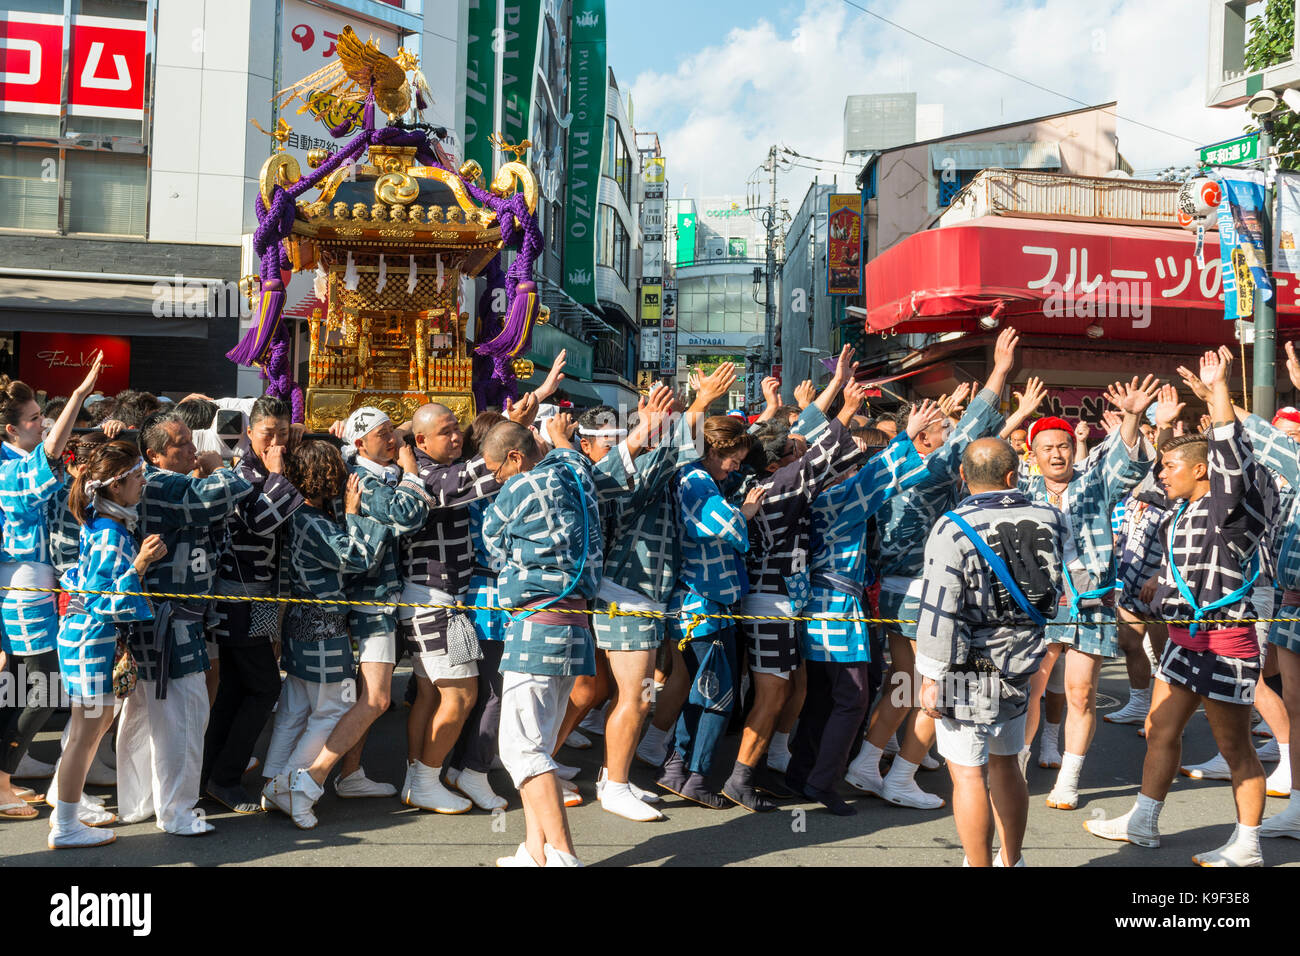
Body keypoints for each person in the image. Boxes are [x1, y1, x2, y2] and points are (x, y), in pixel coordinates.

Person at [1086, 348, 1275, 866]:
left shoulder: (1230, 508)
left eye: (1171, 465)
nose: (1162, 471)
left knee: (1235, 746)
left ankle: (1249, 845)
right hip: (1183, 638)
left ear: (1202, 470)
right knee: (1159, 728)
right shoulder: (1183, 508)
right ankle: (1143, 821)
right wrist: (1160, 582)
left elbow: (1231, 454)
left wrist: (1217, 393)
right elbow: (1149, 491)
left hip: (1224, 639)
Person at [845, 329, 1022, 806]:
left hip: (898, 592)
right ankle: (900, 776)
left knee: (903, 683)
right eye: (941, 427)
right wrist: (1000, 371)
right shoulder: (926, 470)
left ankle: (867, 762)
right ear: (923, 437)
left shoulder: (887, 465)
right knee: (934, 688)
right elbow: (969, 438)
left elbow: (966, 438)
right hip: (926, 594)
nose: (949, 432)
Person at [580, 369, 734, 822]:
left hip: (641, 597)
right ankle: (614, 784)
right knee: (635, 697)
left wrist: (692, 410)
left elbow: (673, 454)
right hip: (625, 595)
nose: (662, 435)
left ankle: (614, 777)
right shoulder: (624, 476)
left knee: (632, 695)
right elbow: (661, 458)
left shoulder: (648, 468)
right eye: (650, 426)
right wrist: (699, 404)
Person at [719, 346, 863, 812]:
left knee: (790, 686)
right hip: (770, 599)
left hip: (778, 597)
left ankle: (763, 765)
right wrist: (840, 398)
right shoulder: (780, 485)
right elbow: (818, 452)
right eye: (796, 449)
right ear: (779, 460)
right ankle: (740, 776)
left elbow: (801, 441)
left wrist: (833, 392)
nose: (804, 450)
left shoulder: (762, 477)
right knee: (774, 691)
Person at [788, 396, 942, 814]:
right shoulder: (833, 498)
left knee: (823, 696)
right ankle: (821, 782)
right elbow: (875, 480)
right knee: (853, 697)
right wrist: (908, 434)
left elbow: (871, 479)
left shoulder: (820, 495)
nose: (857, 465)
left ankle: (803, 773)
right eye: (852, 460)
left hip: (826, 603)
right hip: (834, 606)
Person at [917, 438, 1064, 866]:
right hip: (1023, 657)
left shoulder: (951, 527)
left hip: (968, 663)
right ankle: (1012, 859)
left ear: (962, 476)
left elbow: (938, 608)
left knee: (967, 774)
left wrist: (930, 676)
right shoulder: (1049, 516)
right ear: (1013, 475)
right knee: (1007, 764)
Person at [281, 407, 432, 819]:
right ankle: (309, 779)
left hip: (375, 597)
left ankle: (347, 774)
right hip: (371, 600)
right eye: (385, 434)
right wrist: (413, 472)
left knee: (360, 698)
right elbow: (407, 516)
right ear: (361, 443)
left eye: (395, 433)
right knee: (377, 699)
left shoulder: (370, 472)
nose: (395, 441)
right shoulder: (364, 479)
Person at [1020, 375, 1158, 811]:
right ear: (1034, 455)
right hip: (1038, 605)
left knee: (1080, 692)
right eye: (1047, 448)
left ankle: (1070, 777)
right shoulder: (1022, 492)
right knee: (1032, 690)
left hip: (1090, 603)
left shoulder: (1094, 482)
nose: (1057, 454)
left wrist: (1133, 417)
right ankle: (1020, 762)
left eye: (1063, 445)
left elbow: (1126, 465)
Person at [115, 411, 253, 836]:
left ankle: (139, 803)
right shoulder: (160, 482)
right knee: (183, 716)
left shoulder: (155, 482)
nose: (193, 450)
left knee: (145, 715)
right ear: (155, 454)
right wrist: (222, 468)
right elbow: (227, 492)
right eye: (182, 445)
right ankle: (175, 811)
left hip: (163, 615)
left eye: (193, 442)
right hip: (171, 621)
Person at [484, 413, 606, 866]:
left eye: (497, 470)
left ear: (515, 457)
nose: (497, 479)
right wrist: (558, 439)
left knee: (521, 749)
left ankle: (564, 855)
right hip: (575, 625)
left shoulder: (522, 486)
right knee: (539, 744)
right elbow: (576, 456)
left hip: (536, 624)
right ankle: (535, 852)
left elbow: (490, 539)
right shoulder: (577, 471)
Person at [397, 403, 521, 814]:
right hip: (434, 600)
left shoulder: (424, 471)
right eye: (447, 431)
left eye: (457, 430)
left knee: (431, 696)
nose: (456, 437)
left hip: (432, 599)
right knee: (461, 694)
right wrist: (514, 433)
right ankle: (428, 780)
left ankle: (417, 779)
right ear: (421, 441)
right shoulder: (429, 478)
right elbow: (476, 476)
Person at [261, 442, 387, 829]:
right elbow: (359, 557)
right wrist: (353, 514)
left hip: (300, 621)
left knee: (295, 708)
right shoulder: (313, 519)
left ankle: (272, 783)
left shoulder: (298, 511)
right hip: (324, 625)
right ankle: (291, 787)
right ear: (326, 475)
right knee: (331, 709)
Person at [50, 441, 167, 848]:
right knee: (84, 736)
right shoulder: (110, 533)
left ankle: (66, 816)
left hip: (87, 638)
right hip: (88, 638)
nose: (142, 484)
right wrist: (139, 566)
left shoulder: (105, 523)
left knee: (89, 731)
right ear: (115, 486)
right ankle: (65, 823)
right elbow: (102, 600)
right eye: (137, 476)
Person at [0, 357, 104, 817]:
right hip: (21, 582)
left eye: (43, 416)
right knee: (41, 683)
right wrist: (78, 396)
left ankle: (5, 772)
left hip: (32, 579)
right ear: (10, 429)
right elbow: (47, 463)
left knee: (23, 684)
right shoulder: (8, 467)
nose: (42, 424)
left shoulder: (15, 458)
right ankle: (1, 778)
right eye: (34, 419)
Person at [201, 396, 303, 814]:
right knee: (263, 688)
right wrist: (277, 475)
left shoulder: (273, 467)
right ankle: (224, 777)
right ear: (249, 433)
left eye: (283, 432)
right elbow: (260, 521)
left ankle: (212, 774)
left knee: (238, 689)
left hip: (261, 596)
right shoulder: (241, 473)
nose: (275, 441)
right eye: (267, 433)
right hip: (235, 596)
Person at [656, 414, 761, 808]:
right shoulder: (697, 479)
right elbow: (727, 524)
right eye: (732, 459)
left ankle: (676, 768)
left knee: (703, 692)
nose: (735, 467)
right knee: (717, 696)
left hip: (699, 603)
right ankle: (694, 775)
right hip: (704, 603)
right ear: (715, 450)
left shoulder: (699, 477)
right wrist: (746, 513)